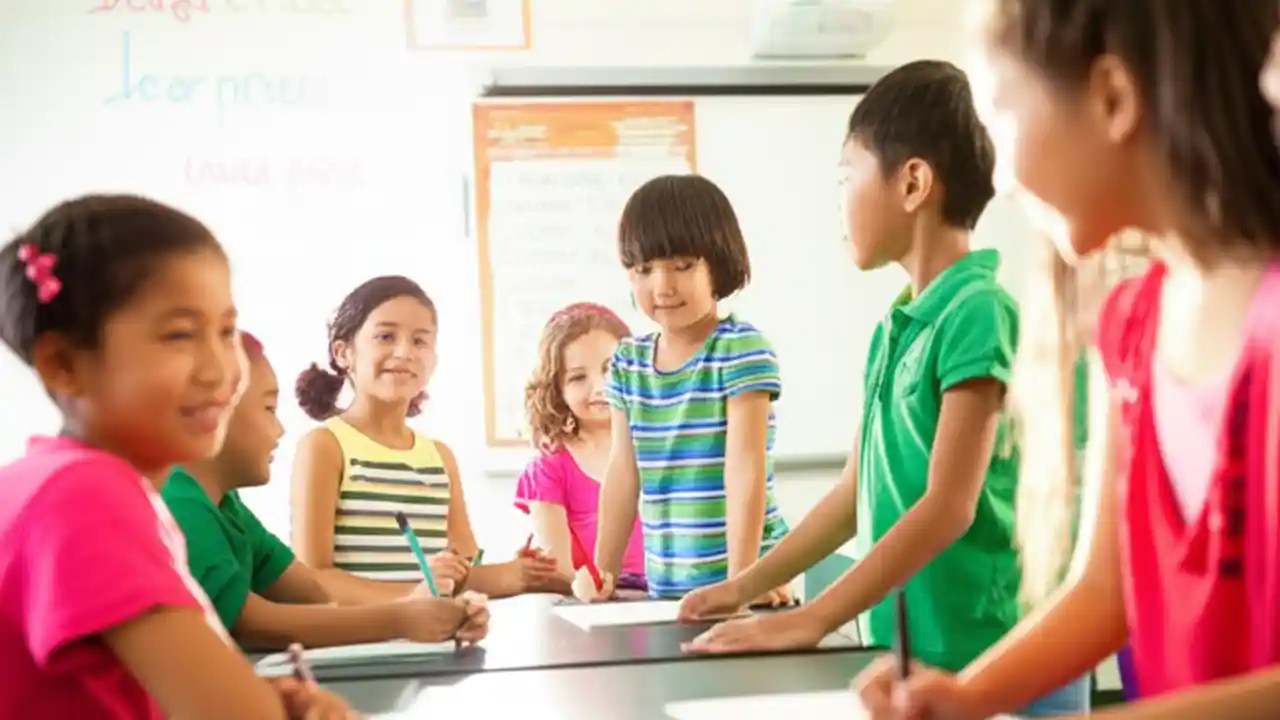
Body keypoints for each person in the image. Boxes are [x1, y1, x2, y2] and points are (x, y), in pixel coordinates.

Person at [856, 2, 1280, 718]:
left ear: (1112, 98)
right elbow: (1102, 592)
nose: (1002, 178)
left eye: (1001, 113)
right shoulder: (1131, 329)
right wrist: (965, 697)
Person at [681, 60, 1086, 717]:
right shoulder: (895, 330)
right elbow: (852, 494)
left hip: (994, 661)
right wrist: (746, 585)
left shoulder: (978, 312)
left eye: (847, 175)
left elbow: (948, 505)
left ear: (913, 182)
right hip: (913, 658)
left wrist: (811, 618)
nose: (841, 202)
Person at [0, 195, 350, 718]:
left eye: (226, 332)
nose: (220, 369)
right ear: (63, 363)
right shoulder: (86, 497)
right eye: (180, 335)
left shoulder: (46, 479)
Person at [165, 330, 489, 650]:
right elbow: (253, 625)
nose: (280, 429)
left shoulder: (227, 506)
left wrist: (427, 607)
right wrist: (401, 619)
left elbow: (311, 593)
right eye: (269, 409)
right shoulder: (179, 504)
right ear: (210, 411)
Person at [574, 174, 792, 603]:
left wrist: (741, 583)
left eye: (683, 265)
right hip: (670, 587)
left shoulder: (740, 349)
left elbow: (745, 469)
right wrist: (604, 573)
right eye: (644, 270)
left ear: (719, 264)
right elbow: (623, 474)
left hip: (753, 582)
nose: (662, 286)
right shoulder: (628, 363)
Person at [290, 275, 561, 598]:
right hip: (366, 632)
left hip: (433, 628)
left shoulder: (439, 457)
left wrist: (513, 571)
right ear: (343, 352)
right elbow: (313, 580)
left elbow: (463, 571)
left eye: (420, 341)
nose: (404, 351)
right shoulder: (325, 446)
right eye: (385, 336)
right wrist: (414, 600)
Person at [515, 303, 647, 591]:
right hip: (589, 605)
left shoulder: (657, 450)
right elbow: (558, 569)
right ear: (556, 390)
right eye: (577, 377)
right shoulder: (549, 469)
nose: (600, 387)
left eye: (610, 370)